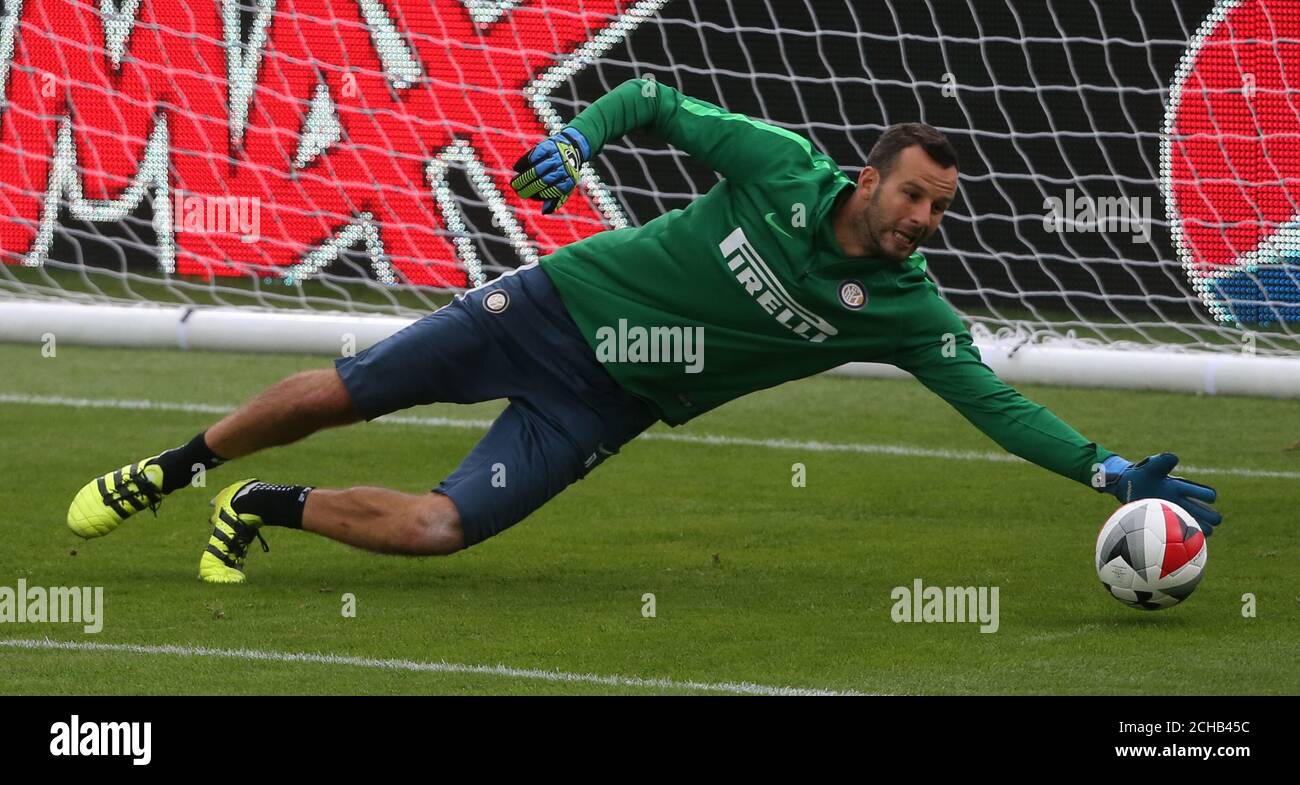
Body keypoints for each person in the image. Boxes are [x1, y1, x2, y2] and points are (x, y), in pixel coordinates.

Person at [66, 79, 1221, 583]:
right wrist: (577, 143)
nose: (923, 221)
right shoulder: (776, 164)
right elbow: (657, 98)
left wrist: (1105, 466)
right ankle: (171, 469)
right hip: (551, 306)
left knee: (438, 529)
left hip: (607, 402)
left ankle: (258, 505)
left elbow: (994, 398)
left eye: (940, 208)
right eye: (913, 195)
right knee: (340, 392)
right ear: (868, 176)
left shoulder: (910, 311)